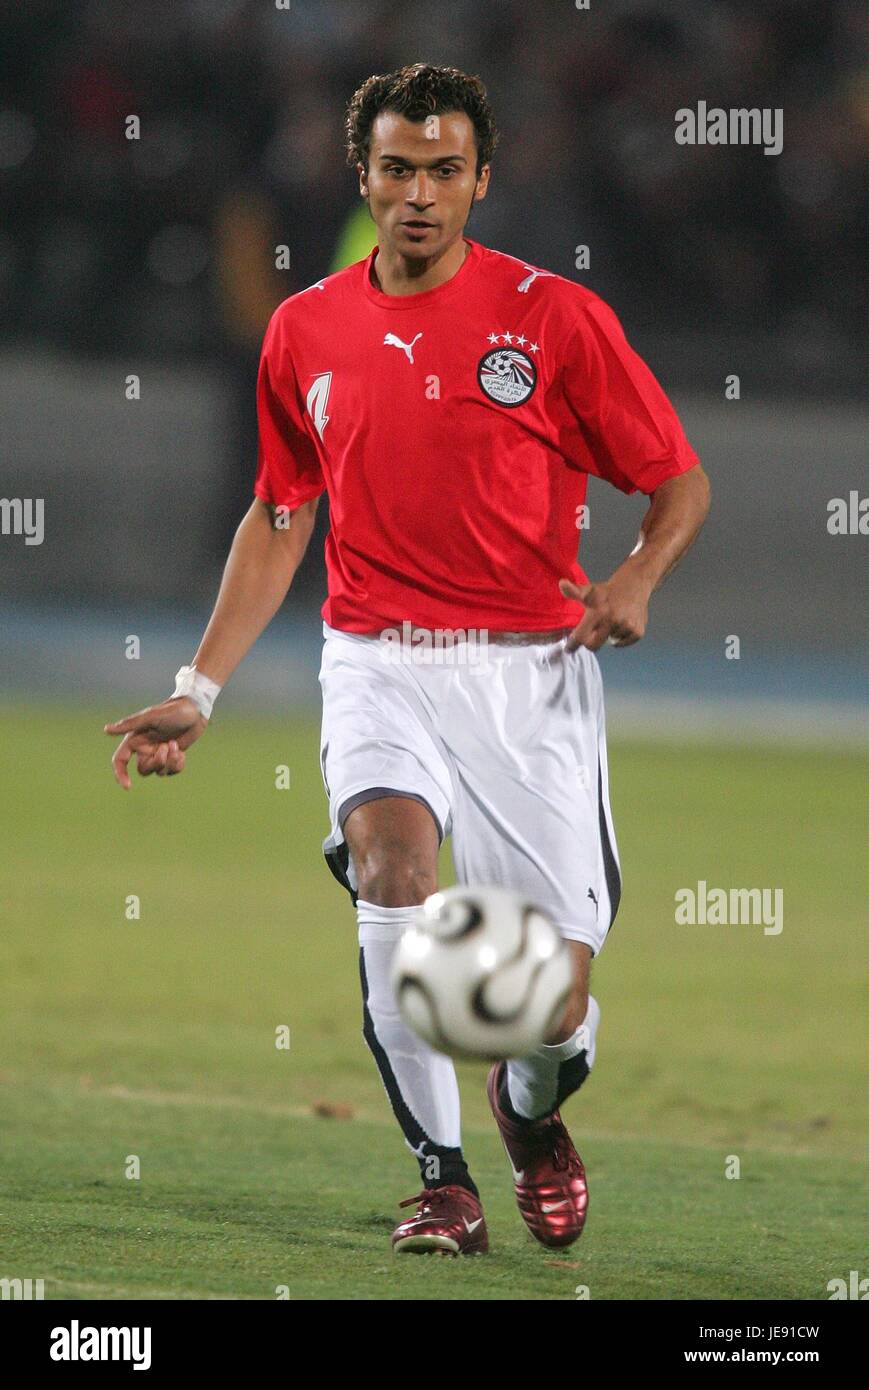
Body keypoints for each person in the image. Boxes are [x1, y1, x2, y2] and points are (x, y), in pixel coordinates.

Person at [105, 62, 710, 1257]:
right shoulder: (306, 329)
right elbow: (282, 515)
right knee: (389, 869)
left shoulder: (554, 320)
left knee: (551, 1012)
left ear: (482, 179)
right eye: (396, 169)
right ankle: (442, 1181)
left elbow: (676, 479)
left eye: (443, 170)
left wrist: (635, 576)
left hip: (529, 677)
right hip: (377, 658)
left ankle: (529, 1119)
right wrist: (199, 688)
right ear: (363, 177)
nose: (418, 194)